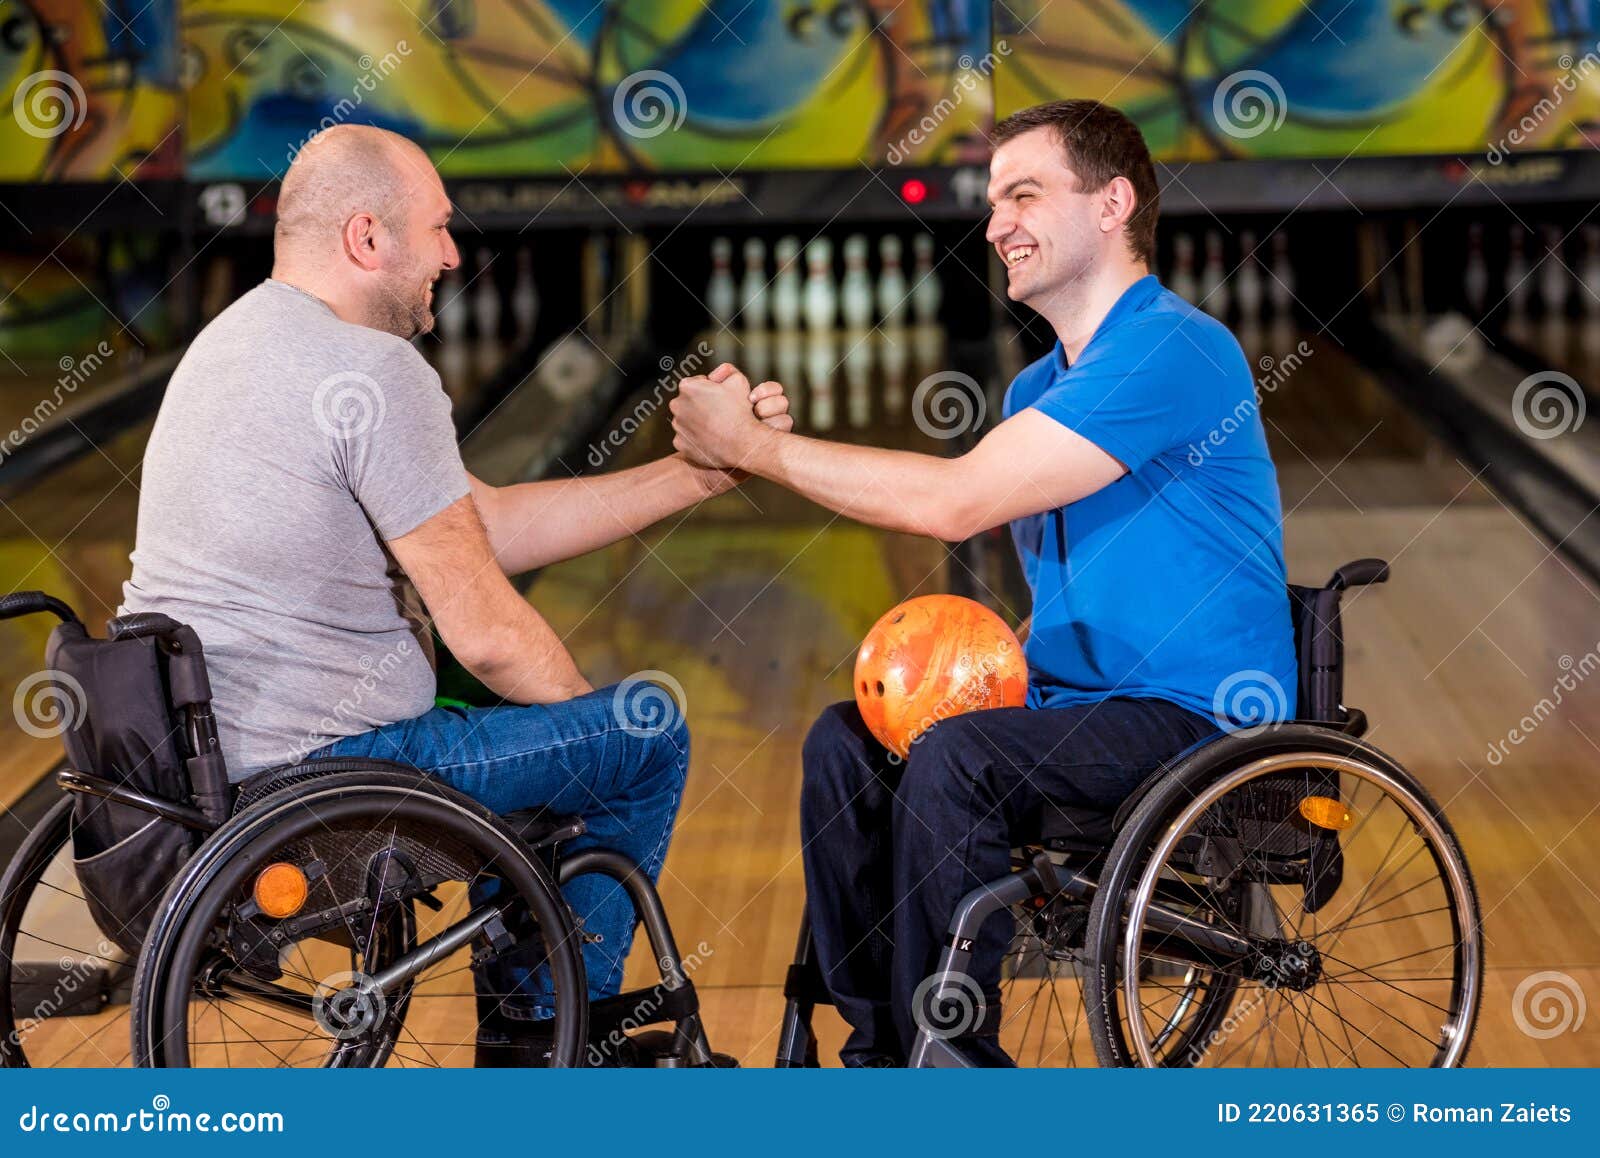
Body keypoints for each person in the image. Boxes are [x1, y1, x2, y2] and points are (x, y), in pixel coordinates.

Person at [119, 124, 791, 1063]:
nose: (451, 253)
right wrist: (588, 742)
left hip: (201, 773)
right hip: (327, 777)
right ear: (366, 238)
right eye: (436, 229)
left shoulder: (232, 342)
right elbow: (490, 637)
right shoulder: (374, 372)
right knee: (642, 732)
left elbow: (492, 524)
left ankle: (533, 1014)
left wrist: (698, 476)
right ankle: (555, 1031)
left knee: (520, 718)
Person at [668, 99, 1296, 1065]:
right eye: (994, 198)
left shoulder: (1174, 348)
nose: (996, 221)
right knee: (848, 740)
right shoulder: (1033, 389)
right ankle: (881, 1049)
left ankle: (954, 1059)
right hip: (1069, 709)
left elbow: (956, 503)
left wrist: (756, 449)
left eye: (1025, 193)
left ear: (1113, 203)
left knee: (959, 758)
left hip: (1194, 720)